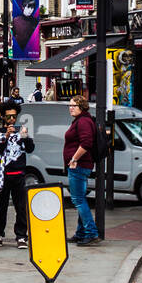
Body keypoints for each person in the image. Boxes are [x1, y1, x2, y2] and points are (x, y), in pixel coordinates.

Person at [0, 103, 35, 247]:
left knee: (21, 207)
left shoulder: (23, 130)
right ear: (3, 117)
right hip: (3, 176)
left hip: (19, 174)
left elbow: (30, 149)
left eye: (14, 116)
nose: (11, 119)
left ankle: (21, 236)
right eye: (8, 116)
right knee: (1, 206)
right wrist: (6, 135)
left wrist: (26, 137)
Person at [64, 95, 99, 245]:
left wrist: (74, 159)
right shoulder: (82, 120)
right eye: (70, 105)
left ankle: (91, 232)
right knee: (80, 199)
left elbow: (86, 143)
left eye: (74, 106)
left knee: (78, 200)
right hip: (80, 166)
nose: (71, 108)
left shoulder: (83, 121)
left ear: (82, 107)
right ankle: (81, 232)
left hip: (78, 166)